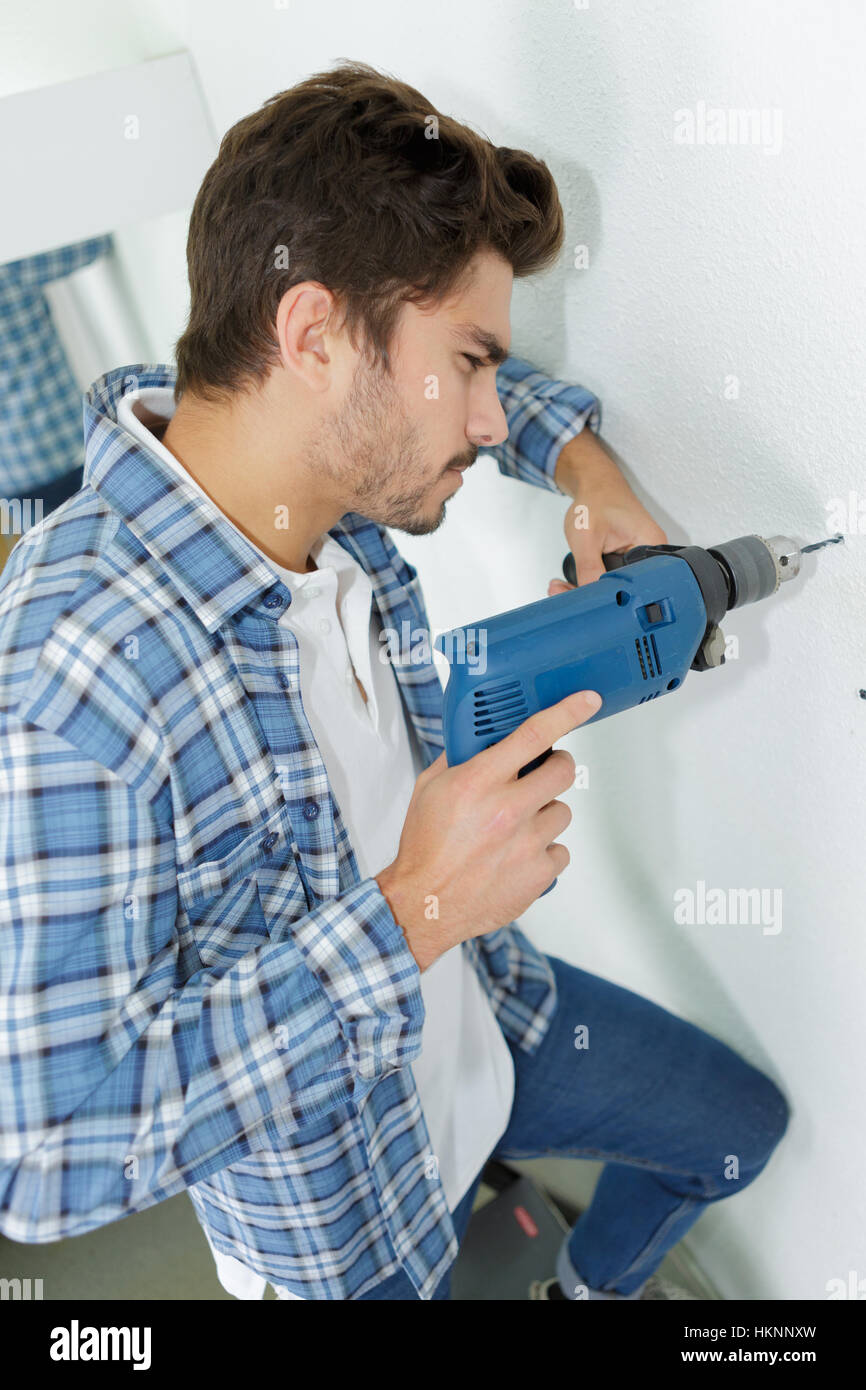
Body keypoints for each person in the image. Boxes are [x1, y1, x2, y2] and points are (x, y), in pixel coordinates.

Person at [0, 59, 788, 1302]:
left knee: (731, 1125)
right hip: (352, 1214)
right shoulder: (76, 675)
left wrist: (585, 468)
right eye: (470, 364)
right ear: (311, 333)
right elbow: (45, 1153)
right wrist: (418, 905)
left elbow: (434, 383)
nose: (488, 418)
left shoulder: (320, 483)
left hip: (491, 1004)